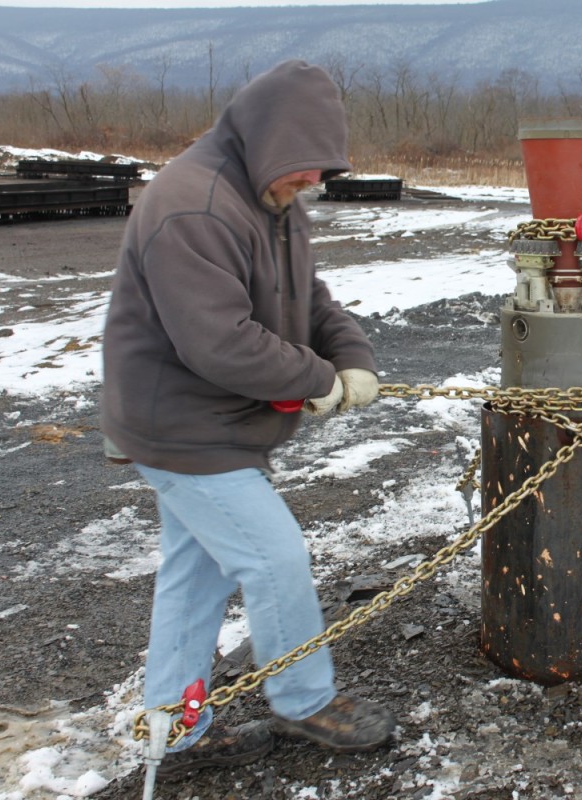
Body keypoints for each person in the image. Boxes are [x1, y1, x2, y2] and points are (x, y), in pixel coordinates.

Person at [101, 60, 395, 778]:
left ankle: (172, 729)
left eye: (319, 172)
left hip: (214, 423)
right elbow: (218, 341)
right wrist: (315, 379)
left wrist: (349, 355)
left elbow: (312, 299)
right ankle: (304, 701)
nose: (311, 186)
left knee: (193, 578)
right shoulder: (195, 206)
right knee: (274, 559)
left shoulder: (270, 199)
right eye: (303, 171)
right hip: (182, 428)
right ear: (268, 143)